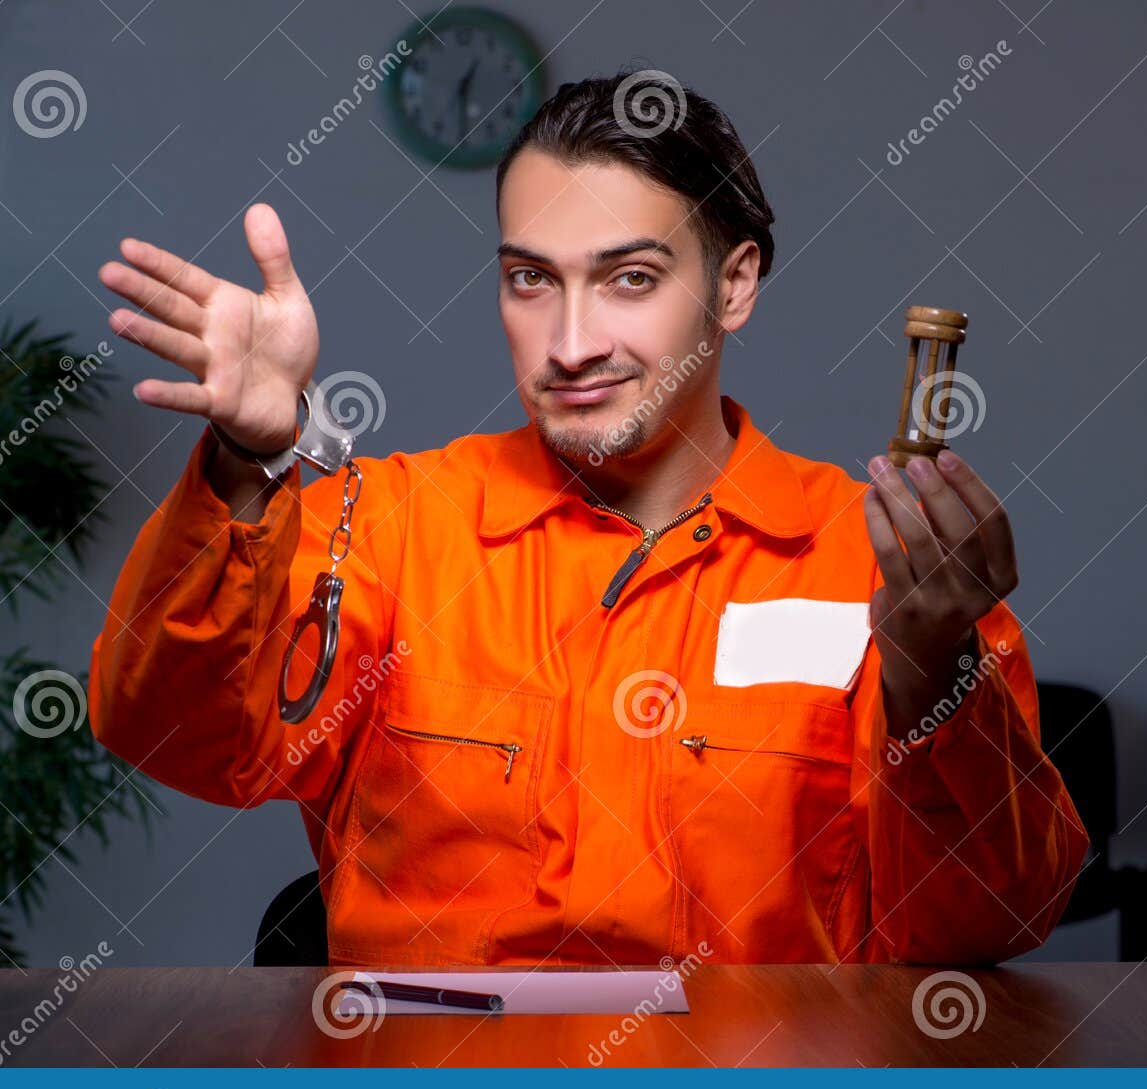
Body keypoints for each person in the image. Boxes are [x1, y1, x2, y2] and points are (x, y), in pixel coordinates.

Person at [88, 73, 1087, 966]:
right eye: (531, 279)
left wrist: (932, 664)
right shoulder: (388, 526)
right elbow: (176, 734)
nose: (570, 343)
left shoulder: (876, 566)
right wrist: (248, 464)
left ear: (733, 284)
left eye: (630, 279)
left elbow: (988, 919)